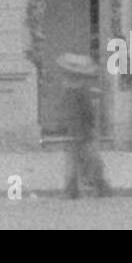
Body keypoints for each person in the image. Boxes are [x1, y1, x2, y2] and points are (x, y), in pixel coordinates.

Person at [56, 53, 111, 198]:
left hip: (82, 132)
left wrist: (85, 129)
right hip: (77, 131)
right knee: (79, 160)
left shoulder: (79, 91)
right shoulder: (73, 90)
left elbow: (87, 112)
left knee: (87, 160)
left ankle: (97, 187)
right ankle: (74, 189)